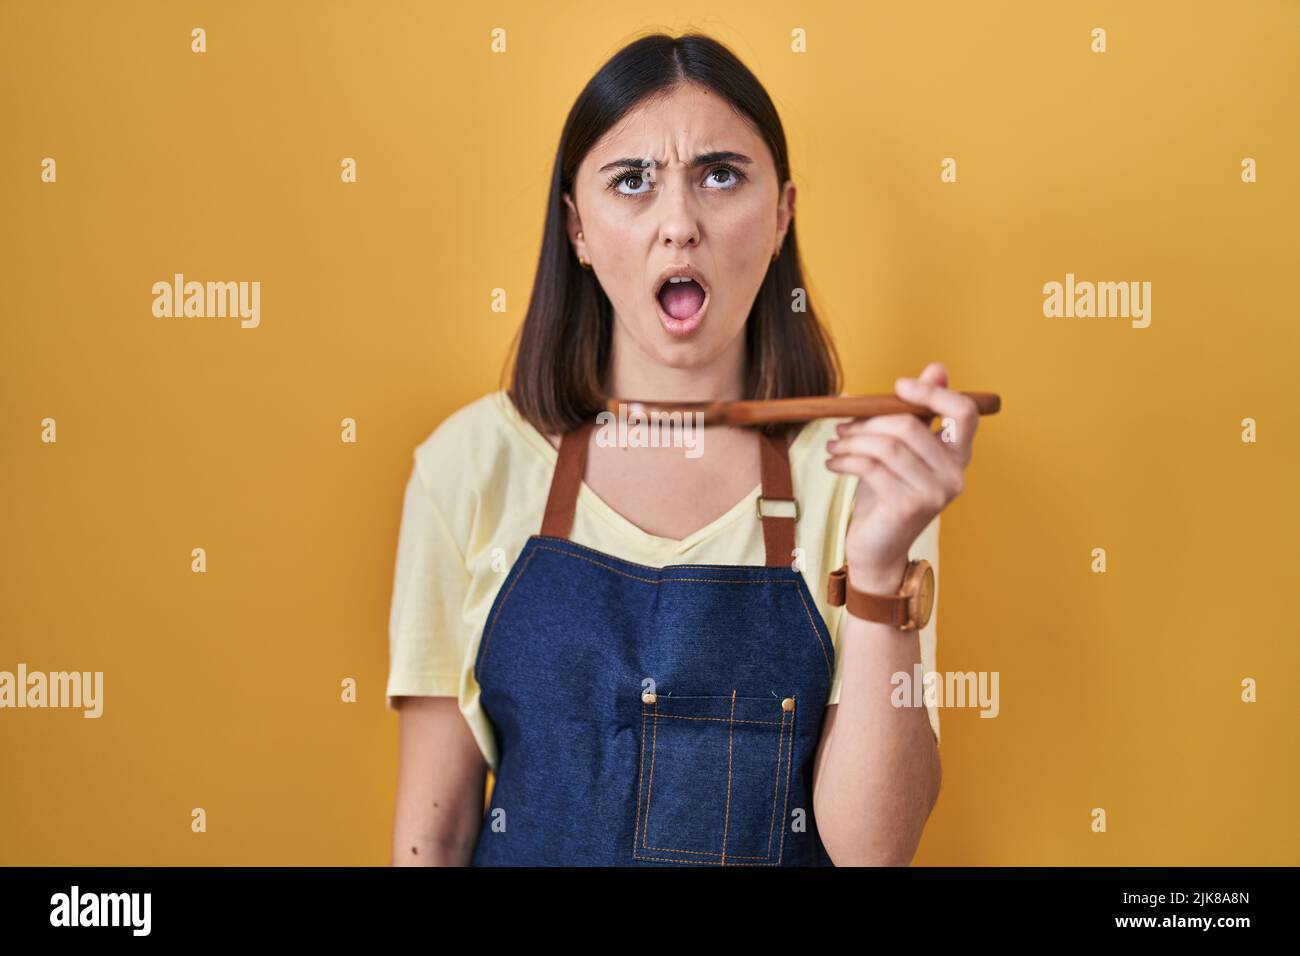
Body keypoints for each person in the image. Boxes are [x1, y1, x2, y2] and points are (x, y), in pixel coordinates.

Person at [386, 32, 979, 866]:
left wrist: (879, 573)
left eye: (720, 175)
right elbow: (431, 836)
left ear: (780, 216)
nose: (679, 225)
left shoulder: (865, 478)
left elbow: (874, 853)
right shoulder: (468, 465)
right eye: (632, 182)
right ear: (577, 229)